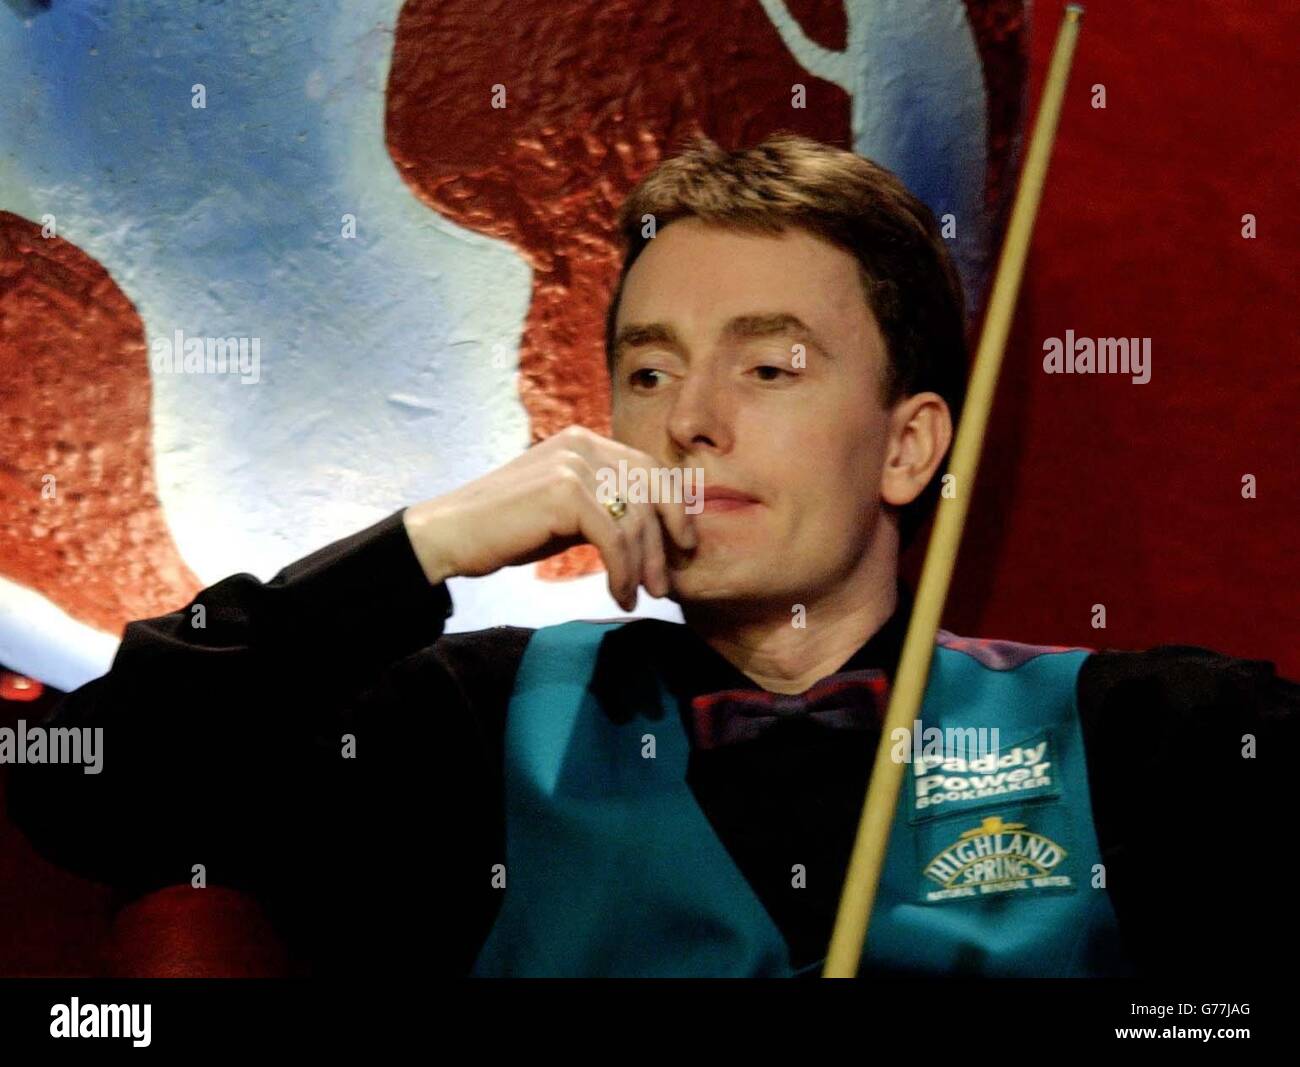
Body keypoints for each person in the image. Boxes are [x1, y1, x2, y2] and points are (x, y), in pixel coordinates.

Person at [8, 134, 1296, 978]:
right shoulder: (469, 720)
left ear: (907, 450)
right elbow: (81, 781)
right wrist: (427, 546)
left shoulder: (1150, 731)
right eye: (648, 369)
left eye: (771, 363)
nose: (690, 417)